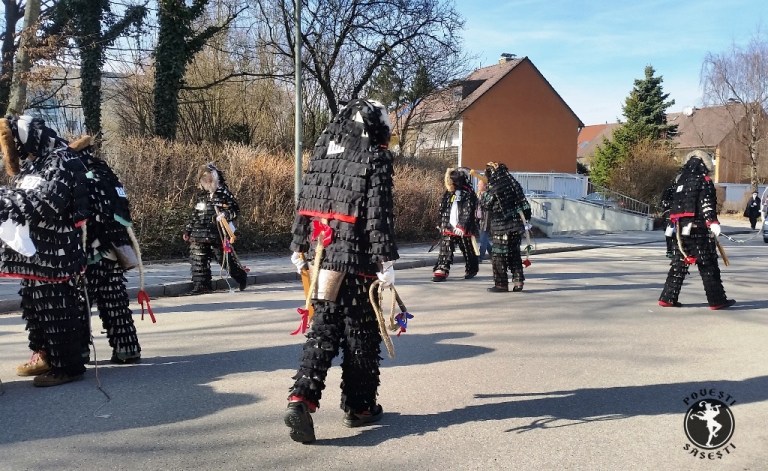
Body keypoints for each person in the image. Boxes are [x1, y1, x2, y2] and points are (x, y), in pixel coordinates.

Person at [284, 98, 398, 444]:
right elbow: (378, 214)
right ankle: (360, 407)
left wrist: (299, 247)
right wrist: (385, 262)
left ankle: (300, 398)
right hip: (358, 262)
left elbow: (306, 203)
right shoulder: (376, 158)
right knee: (361, 337)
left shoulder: (323, 156)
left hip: (323, 258)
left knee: (322, 333)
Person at [0, 115, 90, 386]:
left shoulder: (60, 160)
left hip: (55, 254)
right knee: (35, 304)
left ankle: (68, 367)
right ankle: (45, 355)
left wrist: (4, 199)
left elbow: (47, 204)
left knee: (57, 306)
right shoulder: (37, 162)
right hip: (34, 255)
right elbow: (24, 195)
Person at [75, 138, 142, 364]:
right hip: (114, 247)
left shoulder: (82, 174)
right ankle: (127, 348)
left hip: (93, 248)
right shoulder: (107, 173)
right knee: (114, 300)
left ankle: (79, 352)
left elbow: (86, 212)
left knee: (81, 300)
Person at [658, 150, 735, 310]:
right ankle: (717, 300)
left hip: (679, 229)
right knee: (708, 264)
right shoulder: (703, 180)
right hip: (698, 230)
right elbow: (706, 203)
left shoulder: (680, 181)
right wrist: (712, 222)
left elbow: (672, 205)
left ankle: (667, 298)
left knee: (678, 265)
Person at [183, 163, 248, 293]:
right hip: (199, 233)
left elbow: (235, 210)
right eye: (205, 179)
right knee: (198, 260)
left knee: (224, 260)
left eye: (210, 179)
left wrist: (225, 215)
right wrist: (188, 230)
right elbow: (195, 214)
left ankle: (240, 276)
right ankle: (201, 285)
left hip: (216, 233)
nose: (208, 182)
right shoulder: (201, 196)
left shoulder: (224, 194)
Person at [480, 162, 531, 292]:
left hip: (501, 227)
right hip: (516, 227)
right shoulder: (514, 185)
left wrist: (483, 192)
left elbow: (486, 204)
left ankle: (501, 284)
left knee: (499, 255)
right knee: (514, 254)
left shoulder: (495, 187)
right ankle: (518, 282)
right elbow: (525, 207)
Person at [432, 167, 479, 281]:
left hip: (464, 228)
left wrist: (462, 226)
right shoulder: (448, 194)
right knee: (445, 247)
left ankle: (471, 268)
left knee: (467, 249)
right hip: (449, 226)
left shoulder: (468, 194)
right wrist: (441, 223)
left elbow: (468, 211)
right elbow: (443, 209)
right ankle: (442, 268)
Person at [476, 178, 492, 261]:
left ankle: (480, 257)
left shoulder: (488, 196)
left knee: (483, 239)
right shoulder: (478, 195)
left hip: (486, 220)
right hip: (479, 220)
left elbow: (487, 207)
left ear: (485, 186)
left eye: (480, 184)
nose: (478, 185)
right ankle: (493, 254)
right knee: (484, 239)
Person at [660, 182, 676, 258]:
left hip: (679, 213)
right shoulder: (669, 189)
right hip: (669, 213)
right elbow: (663, 201)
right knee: (669, 232)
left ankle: (674, 249)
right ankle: (670, 250)